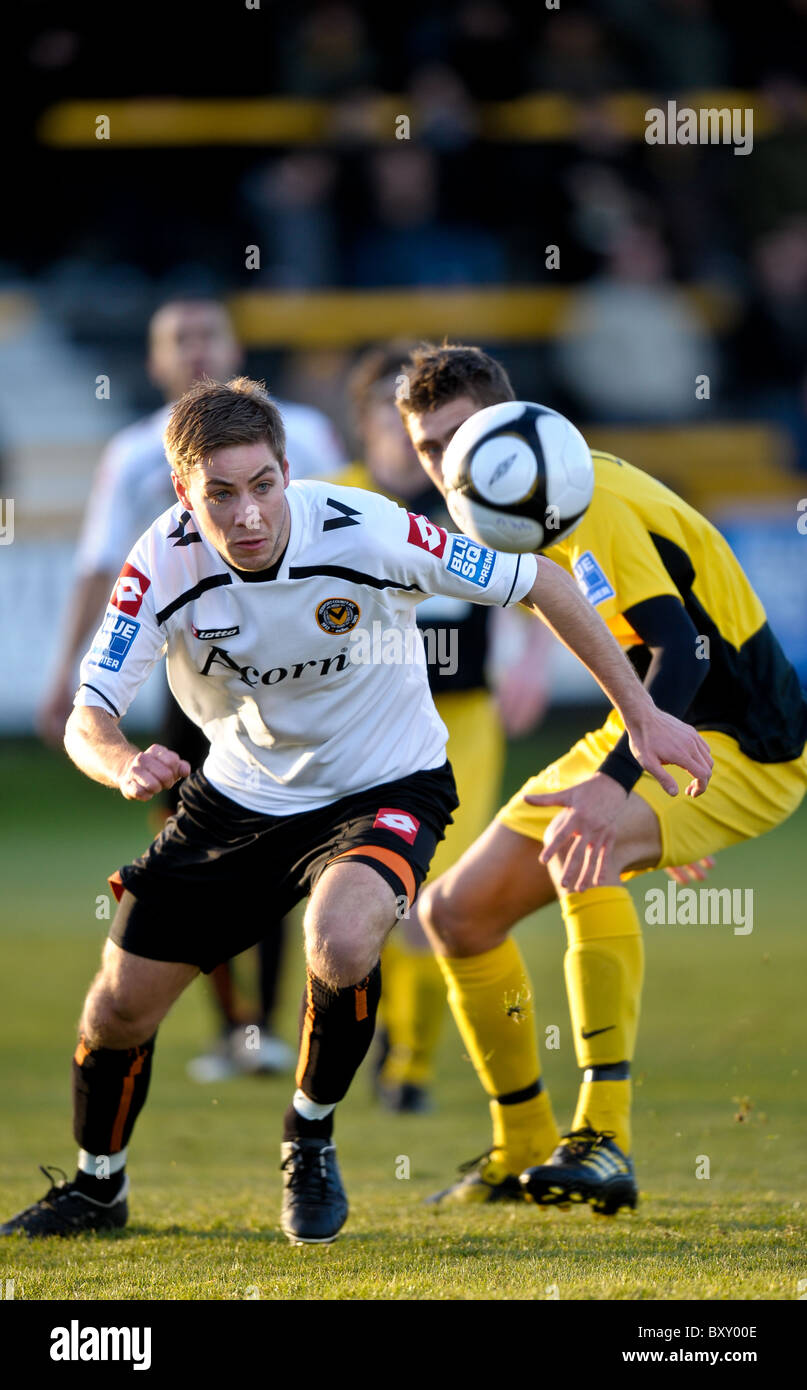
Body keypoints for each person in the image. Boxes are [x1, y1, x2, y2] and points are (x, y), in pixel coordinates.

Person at [0, 375, 711, 1245]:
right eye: (220, 494)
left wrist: (641, 717)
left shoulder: (366, 527)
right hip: (240, 797)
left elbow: (543, 584)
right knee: (117, 1009)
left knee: (341, 937)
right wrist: (119, 764)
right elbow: (88, 714)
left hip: (387, 782)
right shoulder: (158, 562)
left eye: (263, 486)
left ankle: (309, 1135)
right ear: (185, 494)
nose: (249, 514)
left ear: (287, 472)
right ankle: (96, 1188)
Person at [395, 342, 807, 1212]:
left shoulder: (592, 499)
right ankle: (521, 1145)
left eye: (465, 436)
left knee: (582, 838)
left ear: (512, 422)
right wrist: (647, 795)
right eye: (430, 449)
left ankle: (604, 1140)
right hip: (665, 730)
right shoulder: (523, 520)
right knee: (454, 915)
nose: (453, 463)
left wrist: (625, 785)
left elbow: (682, 651)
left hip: (749, 746)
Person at [38, 297, 346, 1080]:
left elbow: (352, 538)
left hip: (294, 674)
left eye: (209, 334)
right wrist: (66, 676)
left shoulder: (303, 433)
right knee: (193, 844)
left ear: (237, 346)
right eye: (179, 339)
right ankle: (233, 1023)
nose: (196, 349)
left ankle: (276, 1023)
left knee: (286, 831)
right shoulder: (135, 454)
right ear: (155, 363)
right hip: (191, 682)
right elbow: (100, 566)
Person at [343, 345, 551, 1112]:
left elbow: (539, 575)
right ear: (369, 426)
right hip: (364, 722)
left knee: (435, 897)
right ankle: (381, 1034)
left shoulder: (476, 499)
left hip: (461, 720)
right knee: (374, 897)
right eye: (395, 427)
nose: (411, 447)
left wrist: (530, 660)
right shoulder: (336, 502)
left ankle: (409, 1067)